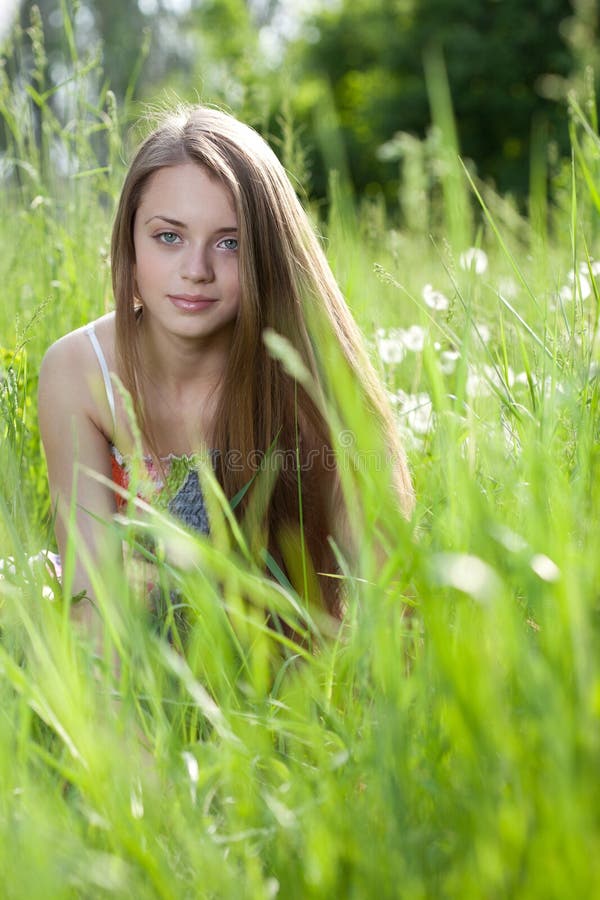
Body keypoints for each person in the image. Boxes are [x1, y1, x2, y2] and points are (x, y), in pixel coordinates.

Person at [38, 103, 414, 639]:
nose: (196, 270)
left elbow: (388, 596)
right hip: (137, 650)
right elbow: (91, 601)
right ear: (130, 243)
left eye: (229, 243)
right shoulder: (78, 370)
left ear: (267, 254)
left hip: (271, 658)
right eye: (169, 237)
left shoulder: (305, 377)